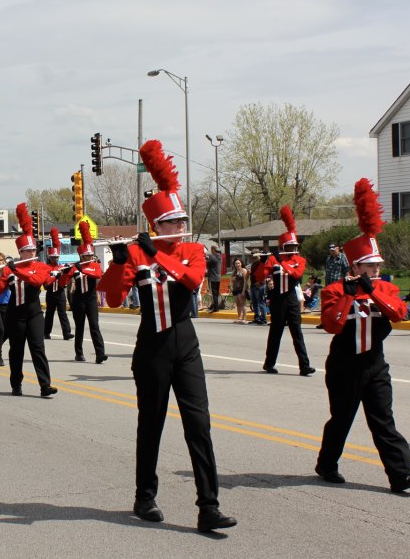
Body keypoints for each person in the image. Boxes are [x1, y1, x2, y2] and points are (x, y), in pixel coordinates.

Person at [97, 140, 236, 532]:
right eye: (172, 222)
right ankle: (144, 497)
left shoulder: (191, 250)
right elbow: (111, 296)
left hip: (185, 343)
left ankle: (209, 506)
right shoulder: (139, 254)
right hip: (152, 348)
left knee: (199, 424)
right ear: (156, 226)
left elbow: (192, 282)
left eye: (180, 221)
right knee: (151, 423)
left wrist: (156, 255)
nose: (179, 227)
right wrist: (119, 263)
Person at [315, 178, 410, 494]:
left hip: (375, 365)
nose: (376, 270)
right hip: (344, 366)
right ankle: (326, 463)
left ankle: (400, 474)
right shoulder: (334, 290)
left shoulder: (386, 288)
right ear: (357, 267)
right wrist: (350, 296)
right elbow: (332, 324)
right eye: (370, 267)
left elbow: (399, 313)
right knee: (342, 419)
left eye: (377, 266)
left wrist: (372, 292)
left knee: (383, 421)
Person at [0, 203, 58, 398]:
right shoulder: (9, 268)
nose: (31, 253)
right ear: (20, 252)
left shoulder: (39, 267)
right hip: (15, 315)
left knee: (38, 348)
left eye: (32, 250)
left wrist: (15, 270)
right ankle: (16, 384)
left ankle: (45, 385)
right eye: (27, 250)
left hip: (34, 313)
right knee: (17, 351)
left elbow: (38, 280)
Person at [262, 206, 315, 377]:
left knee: (297, 332)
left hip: (291, 298)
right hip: (278, 298)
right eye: (290, 245)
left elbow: (297, 275)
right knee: (276, 331)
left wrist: (282, 264)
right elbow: (262, 275)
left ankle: (304, 365)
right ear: (283, 245)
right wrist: (265, 264)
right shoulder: (273, 258)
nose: (293, 248)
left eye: (294, 244)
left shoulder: (299, 260)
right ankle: (269, 363)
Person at [70, 221, 106, 363]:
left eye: (91, 255)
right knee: (79, 327)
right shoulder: (75, 267)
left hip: (90, 298)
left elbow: (97, 275)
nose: (90, 258)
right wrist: (65, 272)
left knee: (94, 325)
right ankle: (79, 353)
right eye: (87, 256)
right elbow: (63, 281)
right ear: (81, 256)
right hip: (78, 299)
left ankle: (100, 354)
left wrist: (81, 269)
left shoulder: (95, 266)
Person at [43, 228, 73, 342]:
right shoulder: (46, 268)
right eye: (53, 257)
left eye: (57, 257)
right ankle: (46, 333)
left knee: (62, 313)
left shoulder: (62, 267)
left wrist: (66, 273)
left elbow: (66, 280)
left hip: (60, 292)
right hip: (51, 292)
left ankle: (67, 333)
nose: (55, 259)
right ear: (50, 257)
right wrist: (56, 276)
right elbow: (46, 281)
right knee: (49, 313)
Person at [248, 252, 267, 324]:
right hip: (253, 284)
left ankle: (263, 318)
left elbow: (263, 272)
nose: (253, 256)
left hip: (259, 284)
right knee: (255, 302)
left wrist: (259, 281)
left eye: (255, 254)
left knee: (260, 301)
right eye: (252, 254)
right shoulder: (254, 263)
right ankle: (257, 317)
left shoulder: (261, 262)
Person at [230, 258, 248, 323]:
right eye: (236, 263)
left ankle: (244, 318)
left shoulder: (244, 270)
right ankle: (239, 317)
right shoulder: (234, 271)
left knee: (243, 303)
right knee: (238, 304)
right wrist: (232, 279)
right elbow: (231, 281)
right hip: (235, 289)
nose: (237, 265)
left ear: (241, 263)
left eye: (238, 263)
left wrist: (243, 291)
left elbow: (246, 281)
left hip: (241, 289)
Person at [205, 245, 223, 312]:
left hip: (212, 277)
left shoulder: (212, 256)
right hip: (218, 277)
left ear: (213, 249)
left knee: (213, 293)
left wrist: (206, 258)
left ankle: (216, 308)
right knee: (216, 293)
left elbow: (206, 263)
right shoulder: (219, 257)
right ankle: (213, 306)